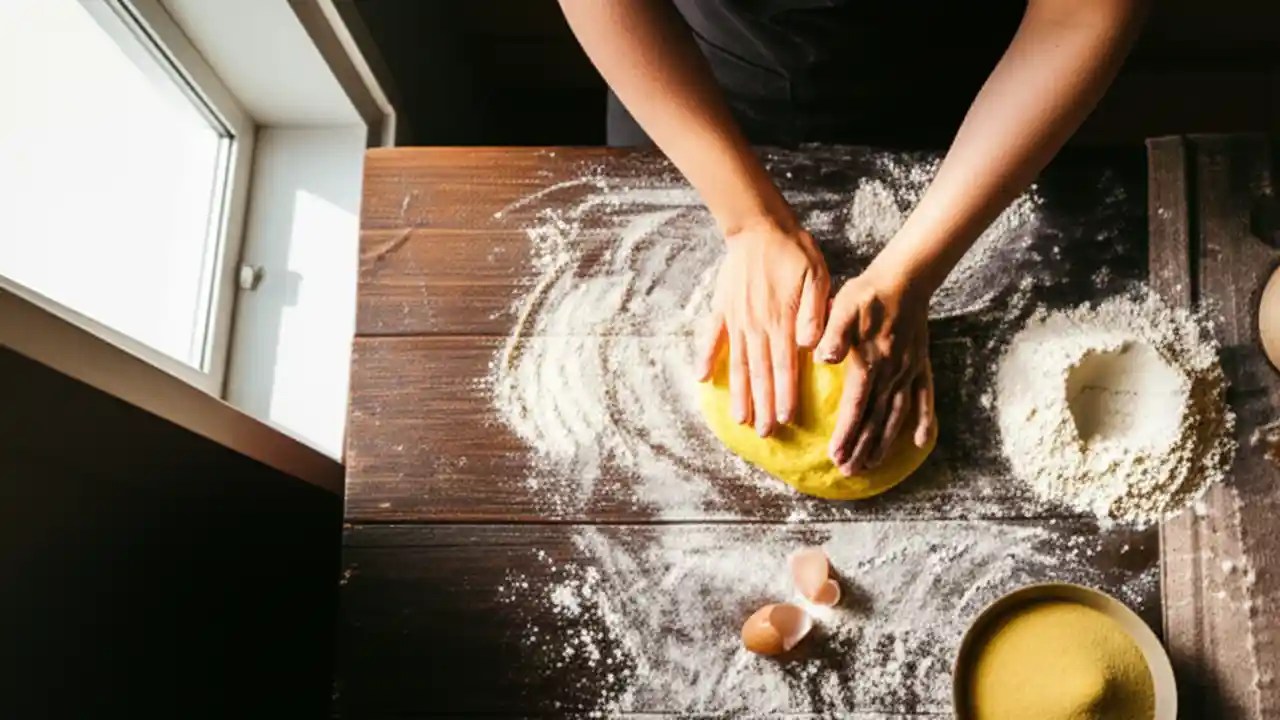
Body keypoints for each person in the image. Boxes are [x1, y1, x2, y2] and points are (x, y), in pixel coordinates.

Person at [558, 0, 1148, 476]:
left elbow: (1083, 12)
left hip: (975, 103)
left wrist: (912, 271)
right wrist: (748, 219)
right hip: (692, 89)